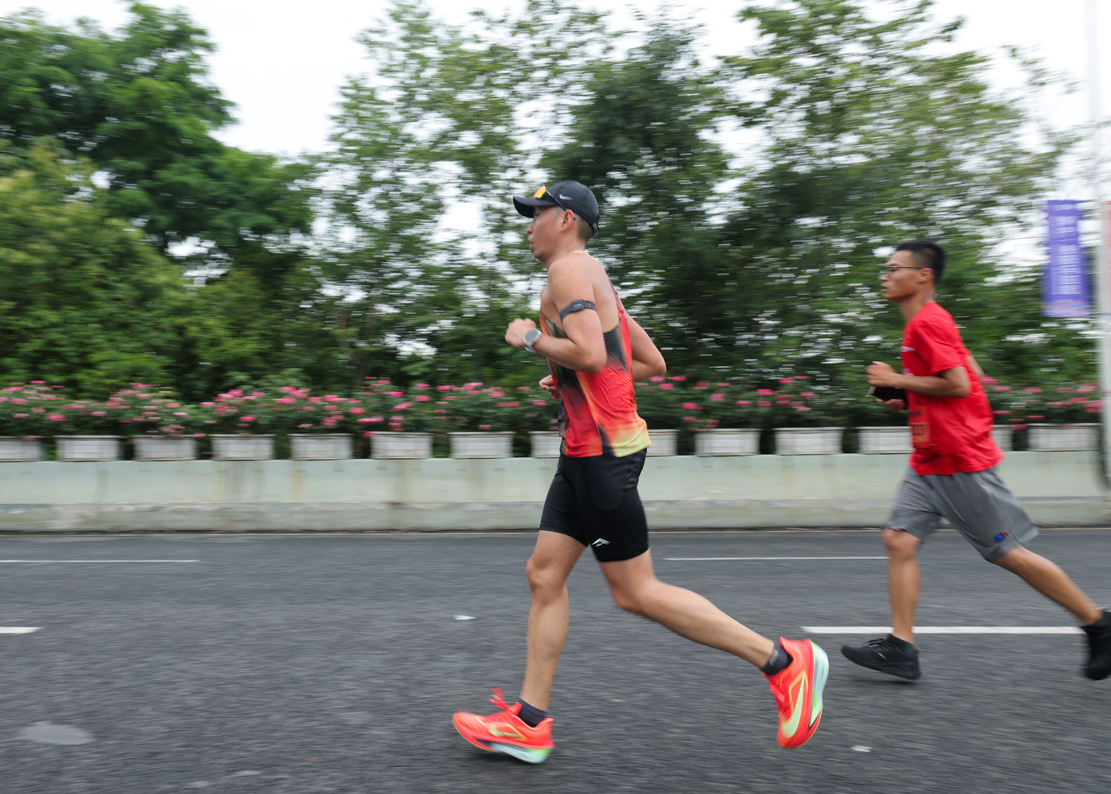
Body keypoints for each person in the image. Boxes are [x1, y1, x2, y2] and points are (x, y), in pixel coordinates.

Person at [451, 180, 828, 764]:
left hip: (602, 455)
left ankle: (784, 663)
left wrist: (531, 338)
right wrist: (569, 374)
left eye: (537, 214)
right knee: (544, 575)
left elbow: (596, 355)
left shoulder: (569, 272)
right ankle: (529, 722)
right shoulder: (592, 277)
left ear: (566, 220)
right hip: (584, 452)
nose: (528, 225)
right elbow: (645, 363)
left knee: (636, 592)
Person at [843, 240, 1111, 681]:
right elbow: (974, 370)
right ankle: (901, 648)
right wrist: (907, 395)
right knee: (899, 540)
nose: (884, 275)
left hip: (959, 460)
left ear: (922, 276)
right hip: (929, 458)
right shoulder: (926, 324)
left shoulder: (928, 321)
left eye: (893, 268)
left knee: (1006, 553)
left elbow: (961, 384)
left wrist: (895, 379)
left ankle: (1098, 623)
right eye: (884, 269)